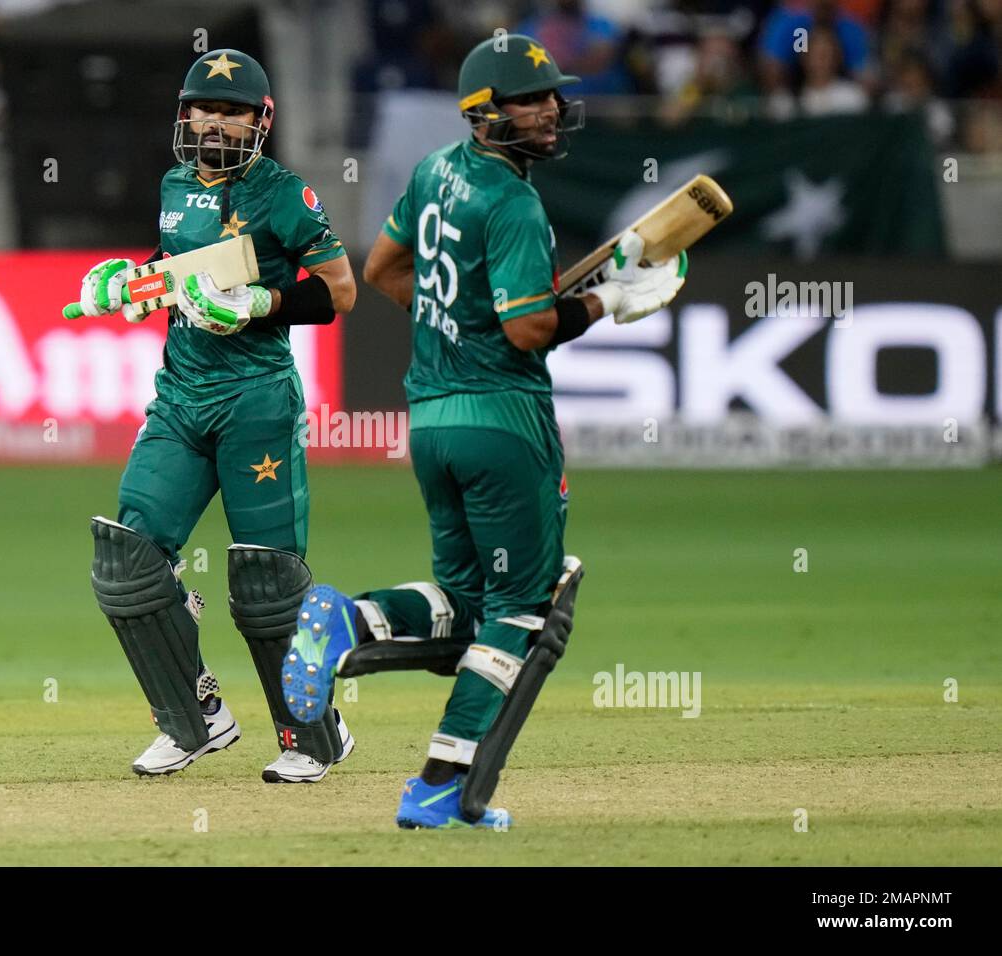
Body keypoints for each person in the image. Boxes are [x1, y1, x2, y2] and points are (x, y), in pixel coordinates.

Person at [277, 35, 688, 828]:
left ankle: (346, 621)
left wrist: (456, 327)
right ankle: (438, 786)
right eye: (529, 100)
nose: (550, 111)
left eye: (550, 97)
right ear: (483, 113)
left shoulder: (433, 172)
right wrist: (616, 303)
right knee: (525, 608)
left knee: (466, 602)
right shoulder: (514, 203)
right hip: (502, 422)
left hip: (431, 419)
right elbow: (531, 327)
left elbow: (383, 270)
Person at [67, 50, 358, 783]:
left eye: (233, 111)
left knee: (264, 582)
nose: (217, 121)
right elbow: (173, 265)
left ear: (261, 120)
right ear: (185, 116)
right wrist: (124, 281)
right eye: (205, 108)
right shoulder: (172, 184)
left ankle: (314, 736)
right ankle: (194, 719)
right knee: (127, 561)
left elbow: (341, 291)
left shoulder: (285, 194)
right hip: (181, 397)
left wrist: (264, 302)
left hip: (257, 397)